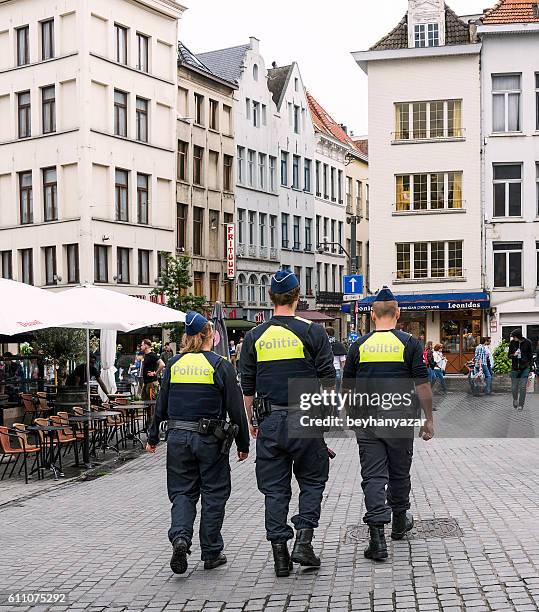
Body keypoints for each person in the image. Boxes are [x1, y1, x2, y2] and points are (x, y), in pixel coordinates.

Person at [240, 270, 335, 577]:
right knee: (312, 481)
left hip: (269, 421)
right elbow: (328, 382)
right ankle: (304, 541)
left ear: (271, 298)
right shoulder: (313, 332)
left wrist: (251, 423)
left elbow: (247, 388)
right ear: (297, 297)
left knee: (275, 490)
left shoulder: (255, 336)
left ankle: (280, 555)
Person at [146, 311, 249, 575]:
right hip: (210, 440)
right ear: (209, 337)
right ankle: (212, 552)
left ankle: (180, 537)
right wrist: (243, 443)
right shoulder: (220, 365)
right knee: (214, 494)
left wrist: (153, 437)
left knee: (182, 492)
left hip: (178, 439)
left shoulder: (173, 365)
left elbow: (162, 405)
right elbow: (235, 408)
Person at [342, 286, 434, 561]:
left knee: (373, 476)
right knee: (399, 470)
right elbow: (422, 385)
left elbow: (346, 389)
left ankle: (377, 539)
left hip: (367, 420)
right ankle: (399, 520)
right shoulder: (410, 343)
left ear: (372, 316)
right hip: (401, 420)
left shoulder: (358, 346)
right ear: (398, 313)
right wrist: (429, 420)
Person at [508, 330, 533, 410]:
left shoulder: (528, 342)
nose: (513, 338)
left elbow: (530, 356)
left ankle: (521, 405)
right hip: (515, 368)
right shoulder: (512, 343)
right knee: (514, 387)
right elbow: (509, 355)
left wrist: (530, 368)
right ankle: (515, 399)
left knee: (522, 387)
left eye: (514, 337)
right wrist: (514, 355)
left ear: (518, 336)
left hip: (525, 368)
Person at [327, 327, 347, 392]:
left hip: (326, 371)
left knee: (327, 394)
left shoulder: (323, 344)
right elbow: (343, 361)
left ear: (326, 334)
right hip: (337, 370)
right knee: (337, 393)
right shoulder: (339, 345)